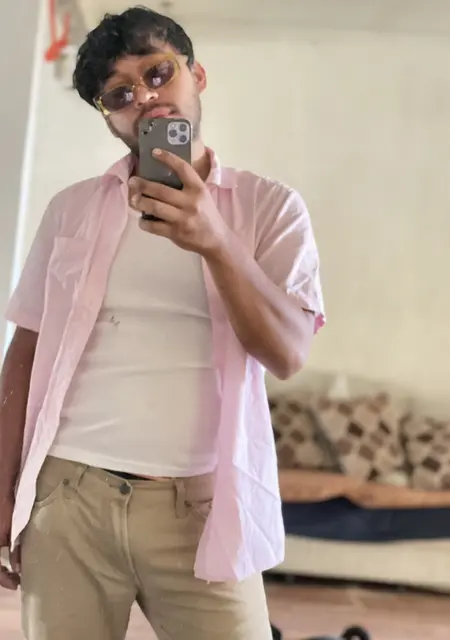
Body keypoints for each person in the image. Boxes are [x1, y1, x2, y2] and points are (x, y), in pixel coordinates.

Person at [0, 6, 325, 640]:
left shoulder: (270, 208)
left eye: (158, 73)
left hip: (201, 507)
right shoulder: (70, 209)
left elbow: (288, 354)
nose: (145, 98)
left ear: (196, 75)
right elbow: (25, 351)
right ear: (109, 118)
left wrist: (216, 241)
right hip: (67, 498)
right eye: (120, 94)